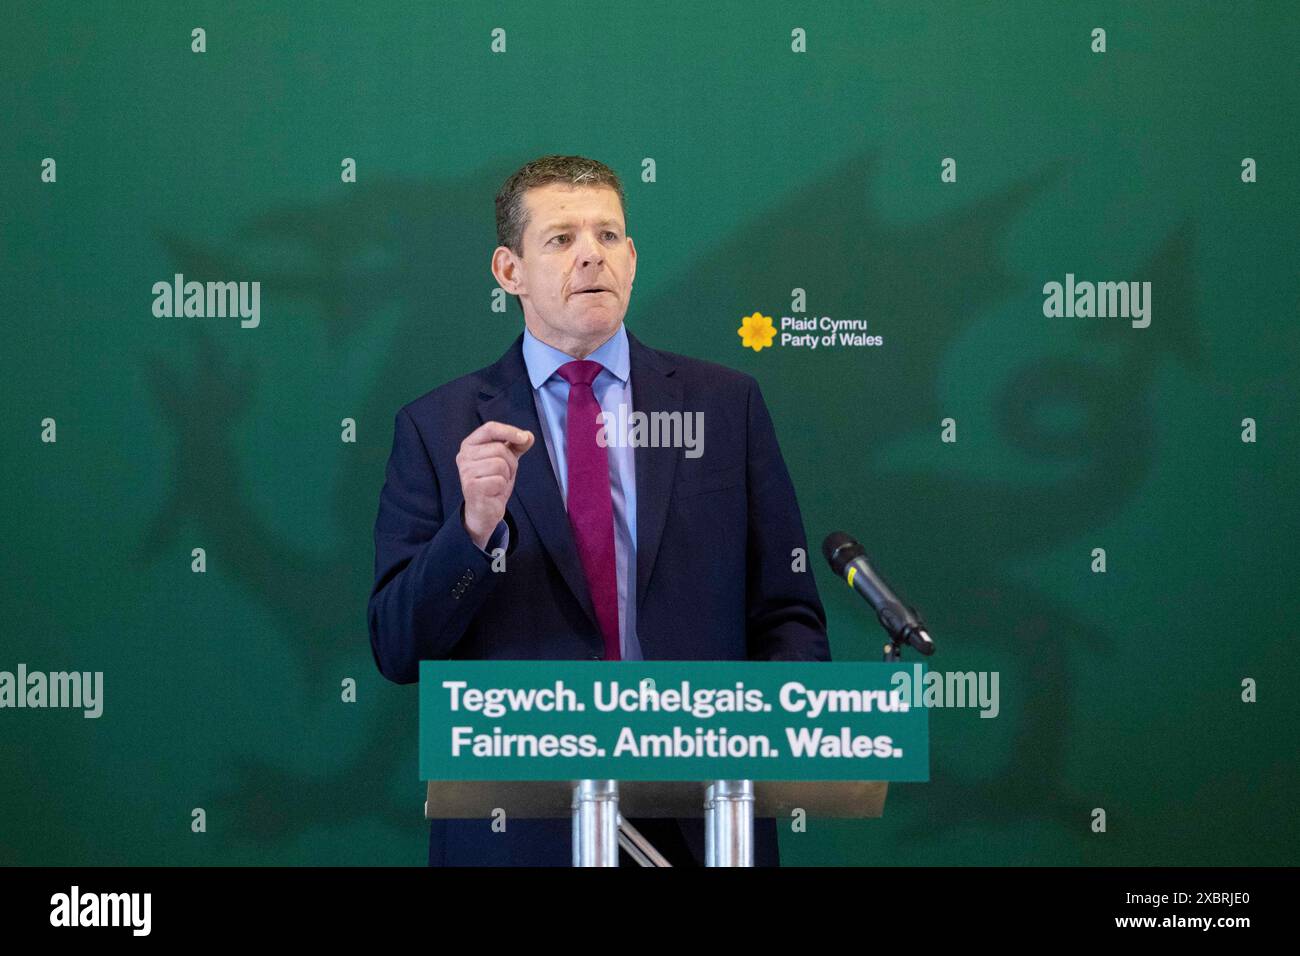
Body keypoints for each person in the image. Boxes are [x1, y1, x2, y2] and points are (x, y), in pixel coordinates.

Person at [368, 154, 830, 866]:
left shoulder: (724, 405)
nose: (591, 256)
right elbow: (398, 649)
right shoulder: (437, 427)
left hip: (707, 821)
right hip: (518, 833)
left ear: (634, 258)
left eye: (608, 236)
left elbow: (787, 611)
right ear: (508, 271)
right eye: (561, 239)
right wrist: (470, 530)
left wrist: (772, 739)